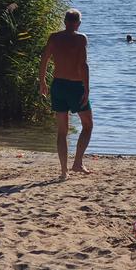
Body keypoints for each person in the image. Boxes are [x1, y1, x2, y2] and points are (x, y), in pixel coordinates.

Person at [39, 9, 93, 181]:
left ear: (65, 21)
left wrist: (42, 82)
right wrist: (87, 88)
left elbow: (44, 59)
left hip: (58, 85)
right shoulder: (80, 38)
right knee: (88, 125)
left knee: (62, 131)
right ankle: (77, 162)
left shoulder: (54, 38)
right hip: (75, 87)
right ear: (78, 23)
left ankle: (64, 171)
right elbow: (83, 65)